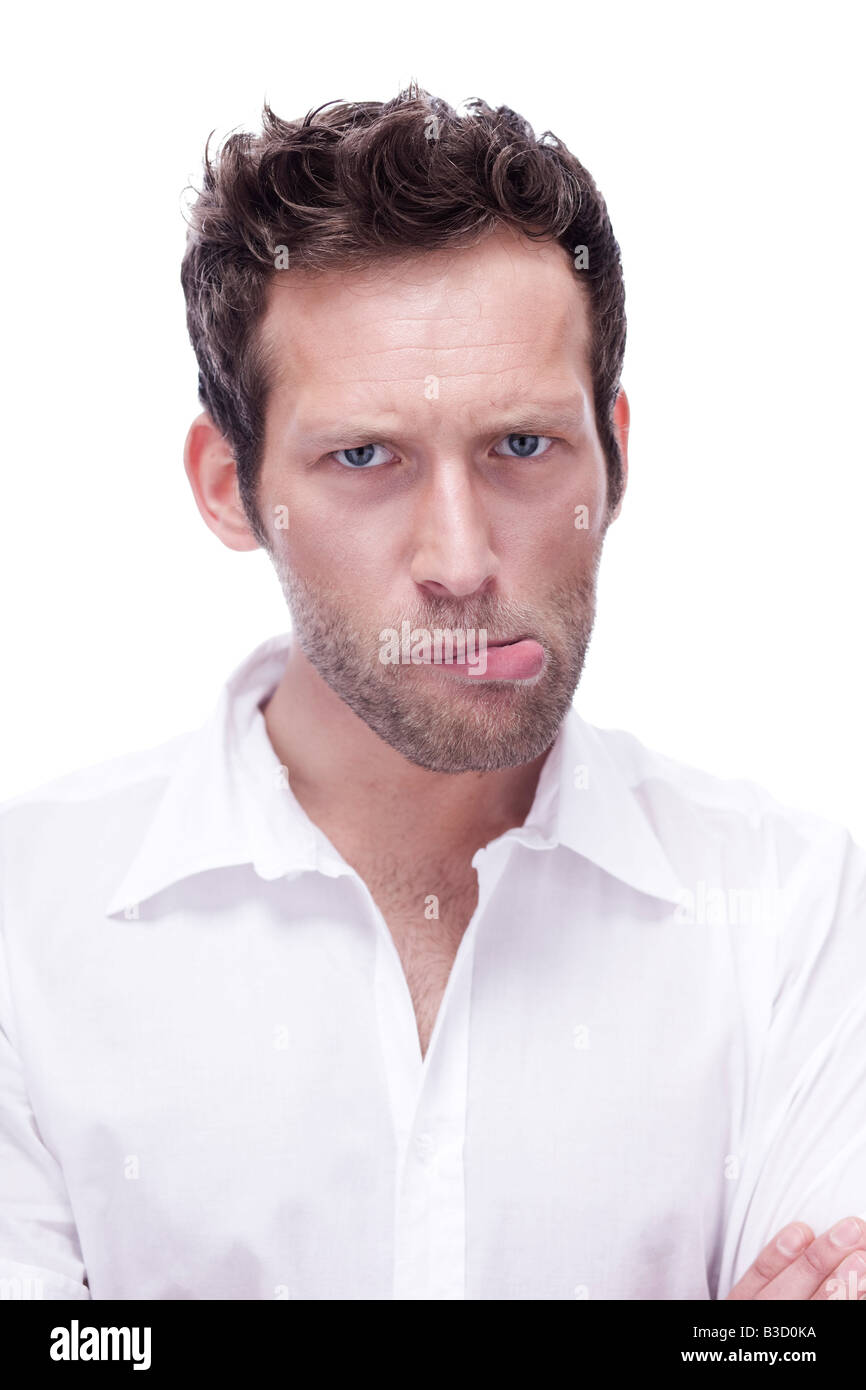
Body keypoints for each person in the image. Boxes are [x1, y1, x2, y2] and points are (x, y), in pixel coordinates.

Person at [1, 85, 864, 1302]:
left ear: (610, 456)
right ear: (228, 488)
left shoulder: (788, 912)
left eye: (520, 447)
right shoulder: (23, 934)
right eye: (363, 458)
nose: (459, 561)